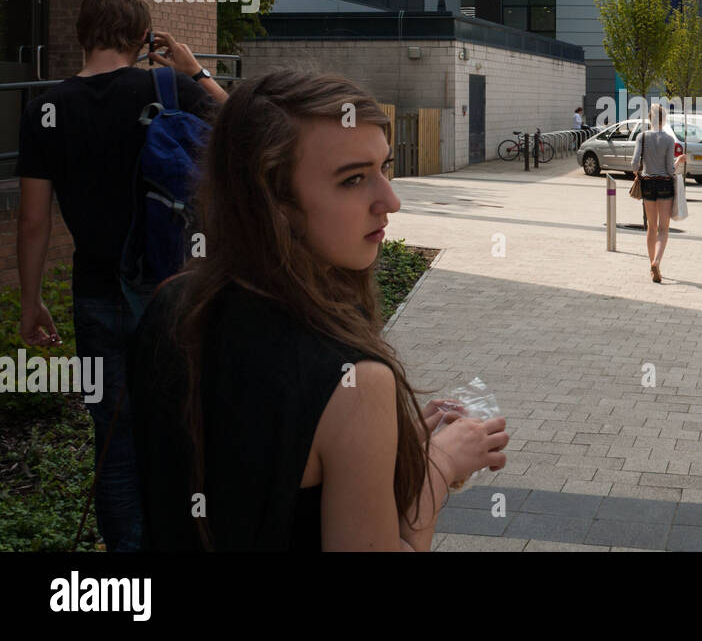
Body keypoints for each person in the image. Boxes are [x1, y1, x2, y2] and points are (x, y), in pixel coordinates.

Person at [127, 70, 508, 550]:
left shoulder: (173, 305)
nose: (389, 200)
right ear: (274, 200)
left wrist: (375, 449)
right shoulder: (353, 380)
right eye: (353, 180)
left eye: (384, 169)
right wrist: (439, 466)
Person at [16, 0, 229, 553]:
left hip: (95, 296)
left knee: (112, 446)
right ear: (143, 37)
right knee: (188, 432)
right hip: (177, 294)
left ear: (80, 33)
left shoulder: (45, 108)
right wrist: (195, 70)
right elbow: (251, 129)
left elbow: (33, 221)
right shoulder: (171, 87)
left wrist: (30, 300)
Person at [632, 103, 683, 282]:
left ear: (649, 119)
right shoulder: (669, 139)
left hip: (647, 184)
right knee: (663, 229)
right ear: (664, 119)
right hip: (664, 185)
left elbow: (633, 163)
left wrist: (641, 170)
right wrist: (679, 162)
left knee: (651, 227)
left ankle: (650, 264)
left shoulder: (642, 137)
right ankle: (657, 261)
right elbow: (670, 169)